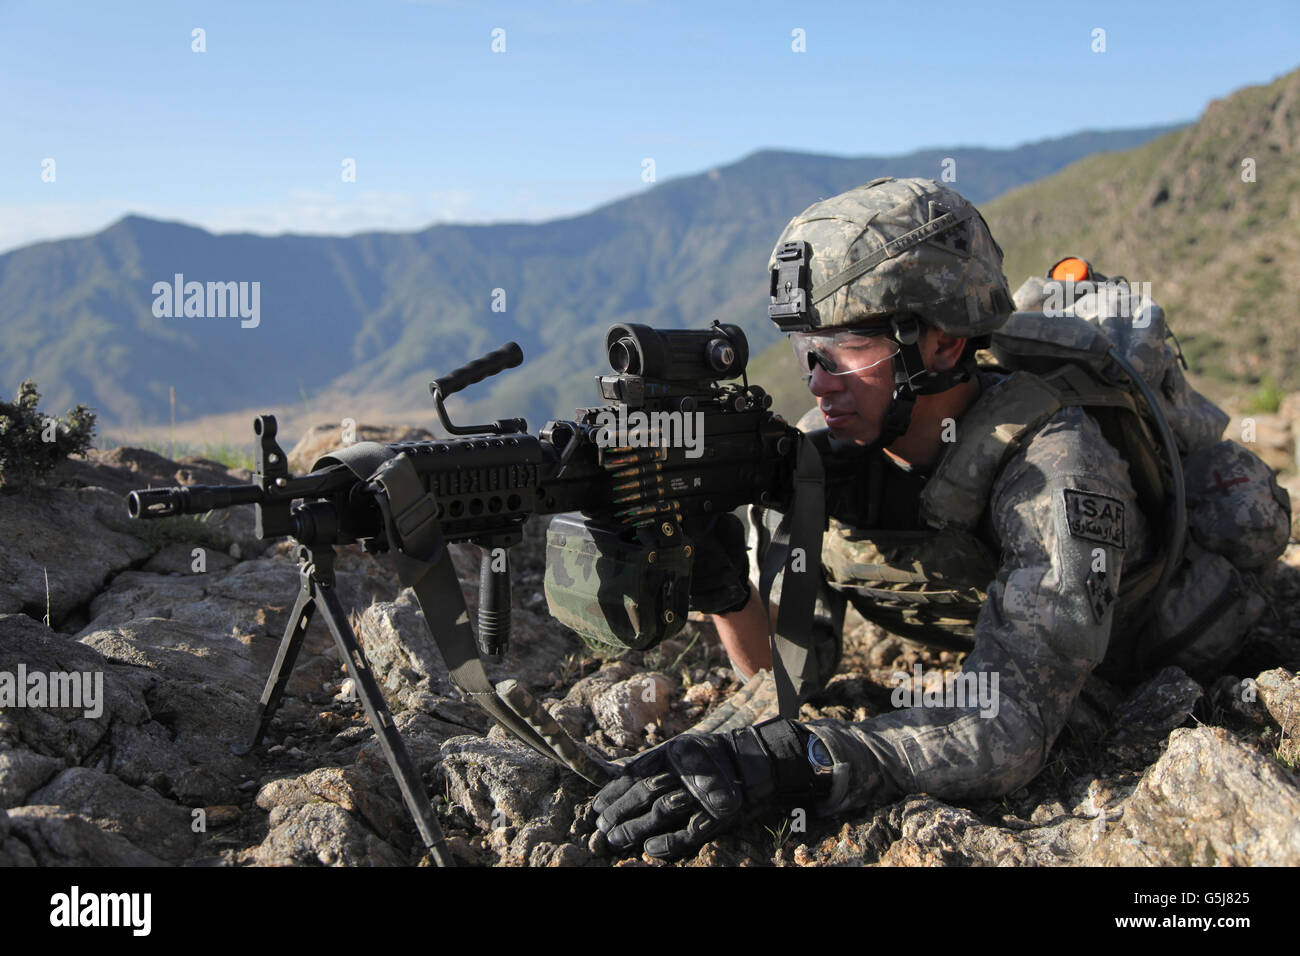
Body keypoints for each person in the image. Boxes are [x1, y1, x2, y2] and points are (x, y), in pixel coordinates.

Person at [593, 176, 1166, 860]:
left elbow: (1014, 729)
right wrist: (725, 590)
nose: (818, 380)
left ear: (946, 345)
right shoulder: (825, 448)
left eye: (849, 347)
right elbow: (788, 669)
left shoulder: (1056, 468)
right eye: (809, 349)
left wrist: (800, 763)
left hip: (1131, 647)